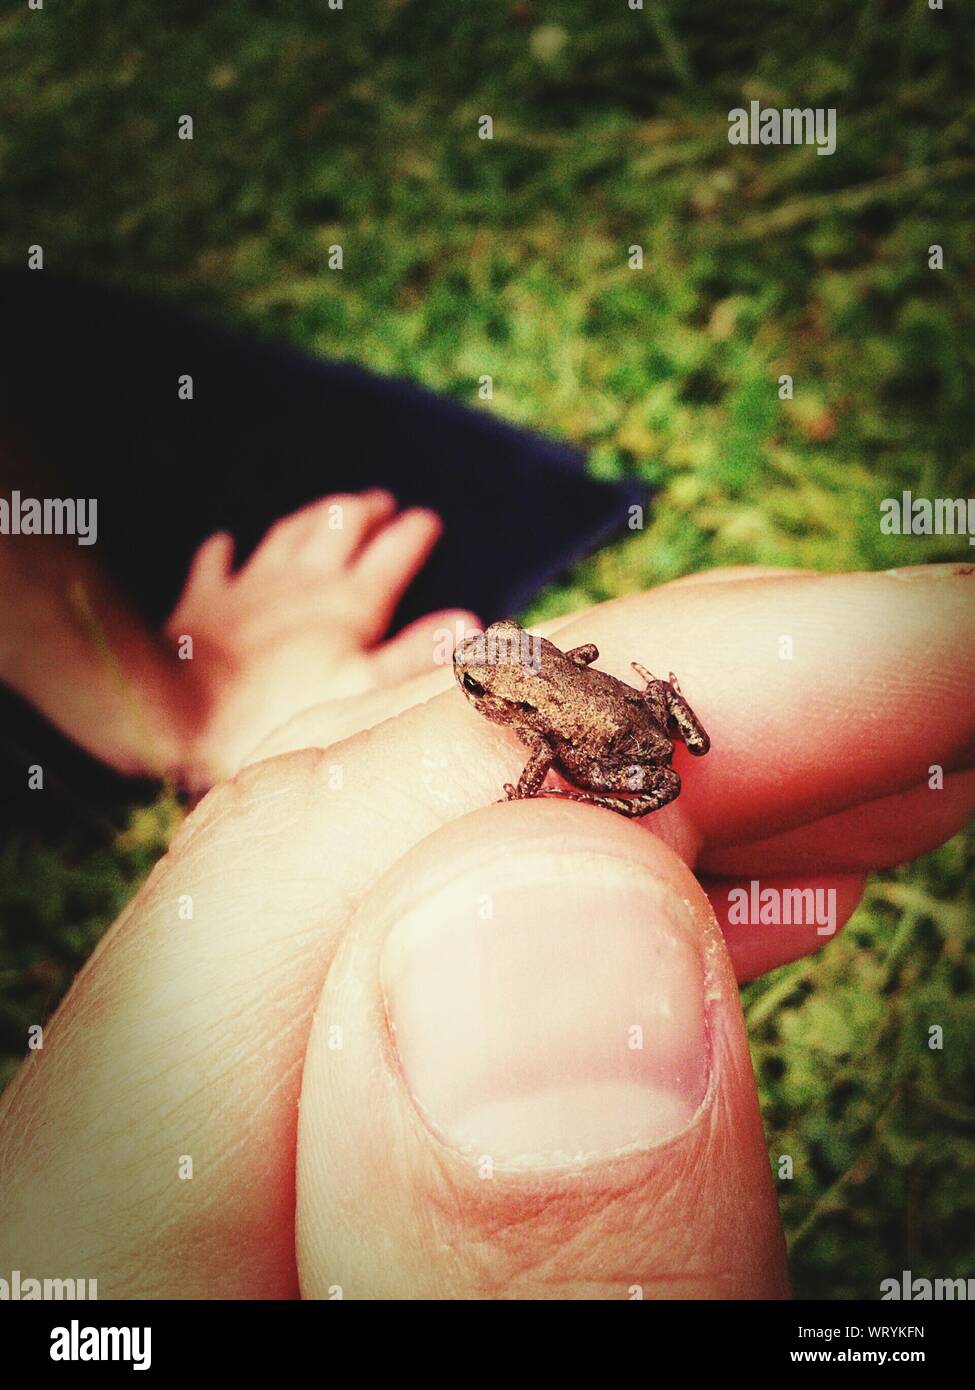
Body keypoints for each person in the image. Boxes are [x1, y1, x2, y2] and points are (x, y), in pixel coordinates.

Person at [1, 564, 972, 1297]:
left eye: (484, 685)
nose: (478, 692)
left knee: (648, 771)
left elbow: (555, 740)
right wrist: (638, 692)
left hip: (623, 747)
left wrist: (522, 792)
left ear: (506, 689)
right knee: (671, 742)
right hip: (640, 715)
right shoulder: (547, 664)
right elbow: (589, 674)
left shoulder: (531, 710)